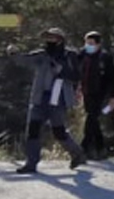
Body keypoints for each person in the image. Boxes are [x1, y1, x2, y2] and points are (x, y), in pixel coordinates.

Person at [10, 27, 87, 174]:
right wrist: (14, 53)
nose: (49, 41)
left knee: (58, 131)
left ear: (60, 40)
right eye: (48, 38)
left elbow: (77, 76)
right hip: (39, 98)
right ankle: (31, 164)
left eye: (53, 38)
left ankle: (77, 153)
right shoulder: (42, 54)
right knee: (33, 130)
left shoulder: (70, 55)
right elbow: (25, 60)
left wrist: (61, 71)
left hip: (58, 99)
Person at [77, 30, 114, 160]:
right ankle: (100, 148)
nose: (88, 45)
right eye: (86, 43)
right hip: (86, 91)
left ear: (98, 44)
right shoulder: (82, 54)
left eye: (91, 43)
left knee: (92, 117)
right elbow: (76, 69)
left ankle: (83, 148)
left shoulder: (105, 57)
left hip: (100, 92)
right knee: (93, 120)